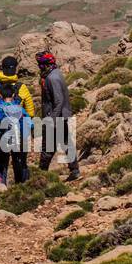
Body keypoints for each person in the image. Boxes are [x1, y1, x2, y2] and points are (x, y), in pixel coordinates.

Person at [0, 56, 34, 185]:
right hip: (19, 134)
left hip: (0, 135)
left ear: (2, 68)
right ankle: (22, 188)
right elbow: (31, 112)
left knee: (1, 163)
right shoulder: (22, 87)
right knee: (20, 162)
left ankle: (0, 188)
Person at [35, 50, 80, 181]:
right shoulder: (55, 74)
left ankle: (40, 177)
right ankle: (75, 170)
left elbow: (58, 100)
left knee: (48, 148)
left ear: (44, 65)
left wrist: (52, 120)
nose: (39, 67)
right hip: (61, 116)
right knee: (66, 143)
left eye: (40, 64)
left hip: (55, 117)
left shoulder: (51, 78)